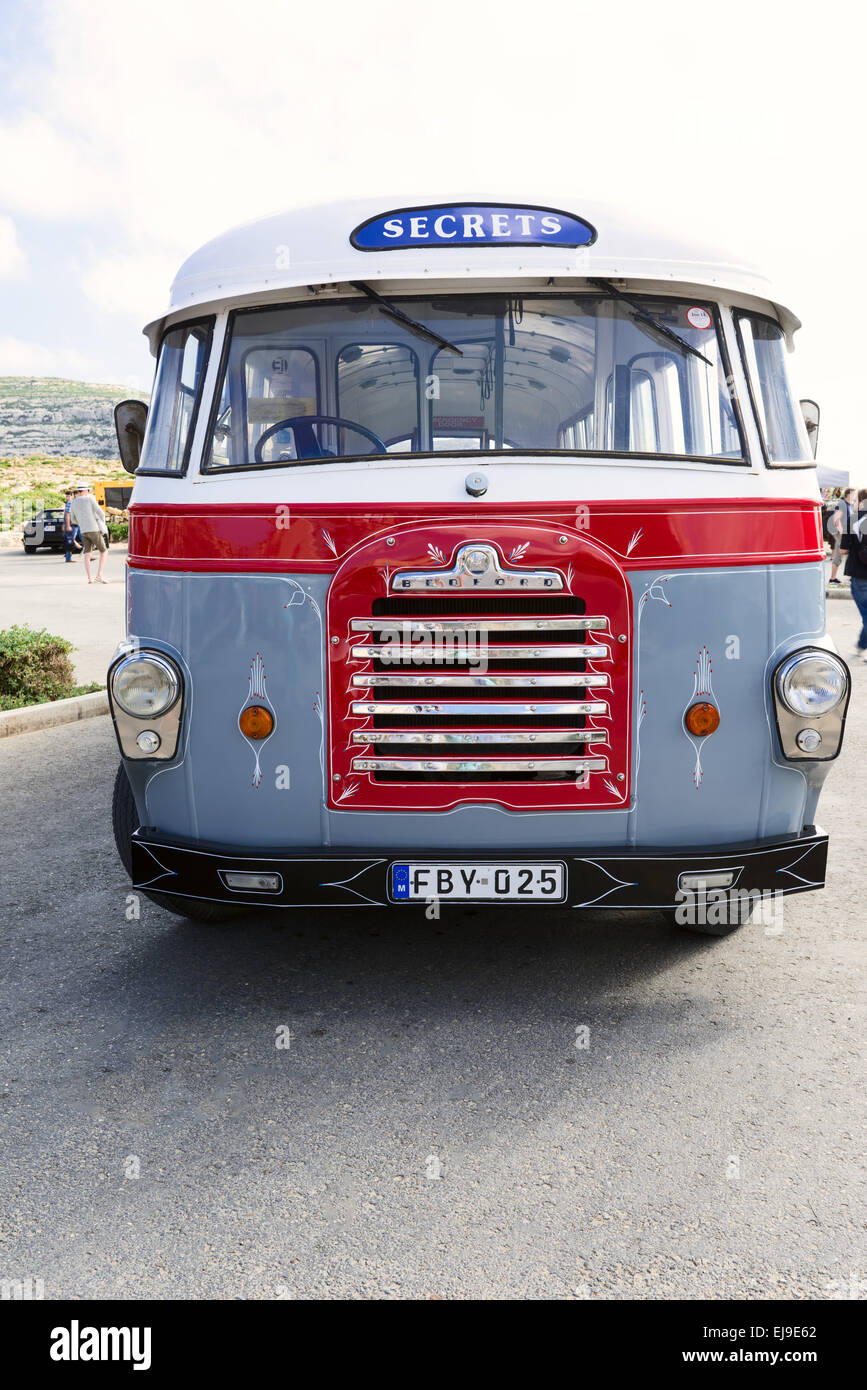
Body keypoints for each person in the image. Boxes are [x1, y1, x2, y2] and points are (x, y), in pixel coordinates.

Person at [840, 495, 867, 663]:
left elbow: (843, 550)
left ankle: (861, 646)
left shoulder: (853, 520)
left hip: (859, 574)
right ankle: (861, 645)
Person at [68, 486, 109, 583]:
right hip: (93, 529)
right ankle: (99, 575)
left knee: (87, 554)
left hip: (83, 530)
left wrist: (82, 523)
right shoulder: (90, 499)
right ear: (85, 490)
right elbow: (101, 513)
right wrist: (102, 524)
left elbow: (73, 519)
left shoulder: (73, 502)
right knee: (104, 551)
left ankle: (90, 578)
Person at [829, 487, 856, 585]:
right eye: (854, 494)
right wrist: (841, 532)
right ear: (848, 494)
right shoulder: (842, 503)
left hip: (847, 533)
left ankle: (850, 577)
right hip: (841, 533)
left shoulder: (850, 505)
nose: (855, 496)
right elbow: (837, 519)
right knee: (838, 555)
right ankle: (832, 579)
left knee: (851, 553)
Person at [62, 489, 80, 562]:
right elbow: (67, 514)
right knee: (70, 540)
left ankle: (88, 555)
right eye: (66, 496)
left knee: (84, 539)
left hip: (77, 524)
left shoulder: (73, 502)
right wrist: (67, 525)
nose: (67, 497)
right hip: (73, 524)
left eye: (69, 496)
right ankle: (68, 557)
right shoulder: (70, 503)